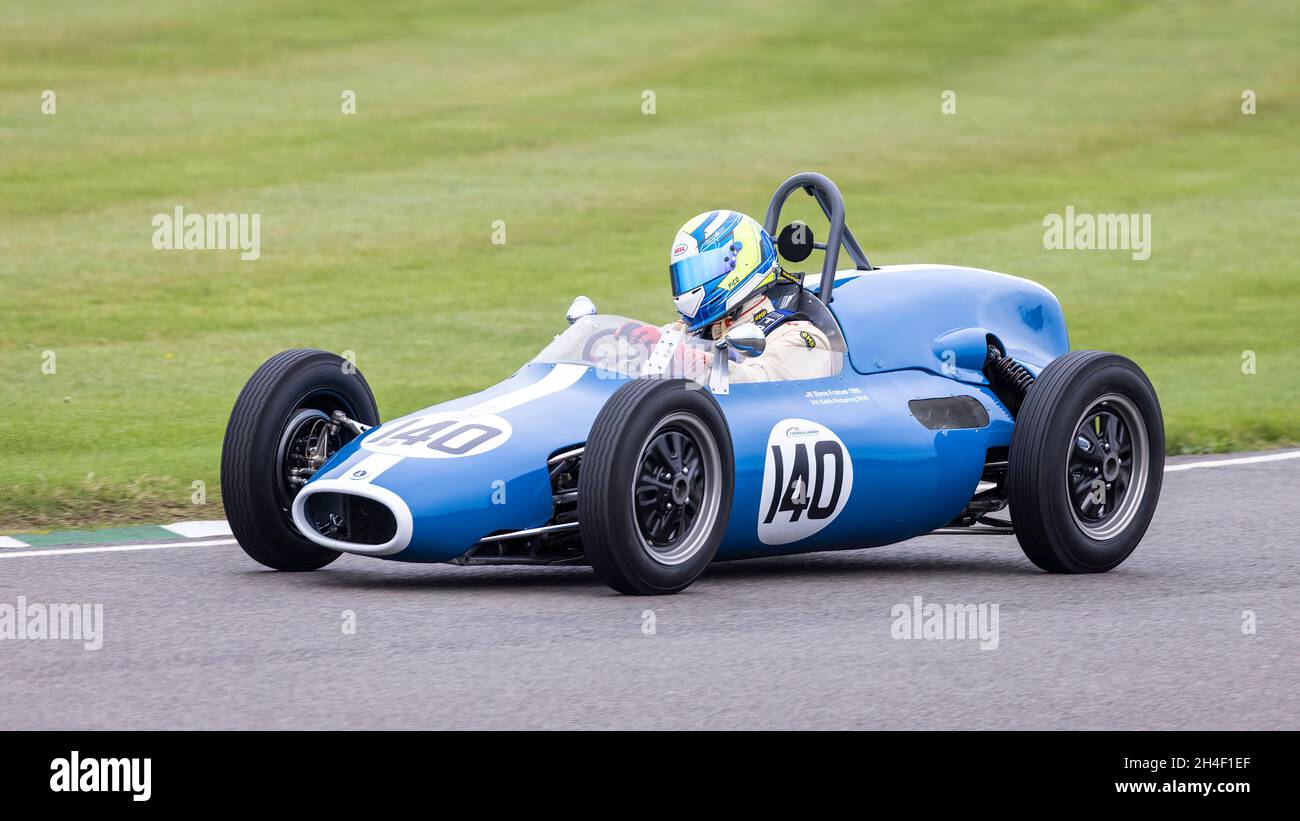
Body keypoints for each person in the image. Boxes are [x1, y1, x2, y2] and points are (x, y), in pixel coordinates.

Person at [629, 210, 837, 383]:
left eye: (701, 271)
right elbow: (652, 347)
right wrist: (621, 340)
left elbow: (759, 385)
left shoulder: (801, 339)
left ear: (742, 264)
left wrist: (690, 360)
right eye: (686, 274)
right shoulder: (699, 330)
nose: (690, 283)